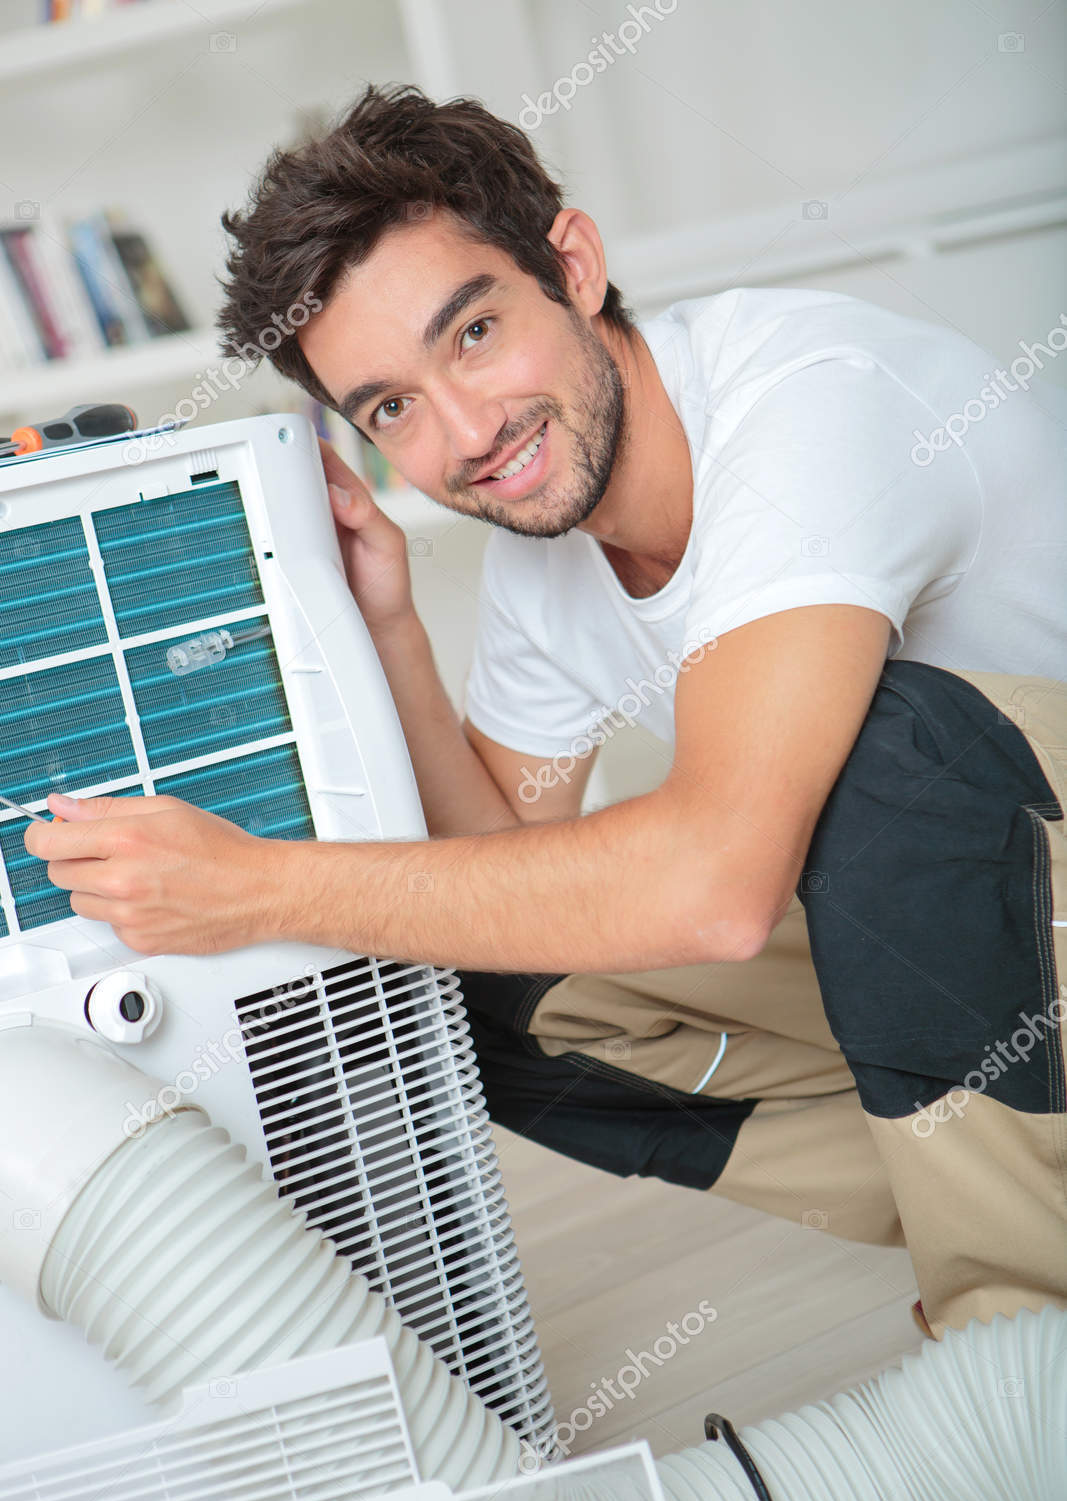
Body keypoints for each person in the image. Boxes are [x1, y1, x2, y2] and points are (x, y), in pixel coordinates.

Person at [27, 83, 1067, 1344]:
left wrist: (254, 888)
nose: (468, 435)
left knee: (876, 754)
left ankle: (1020, 1333)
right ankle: (980, 1195)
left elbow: (719, 882)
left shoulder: (808, 403)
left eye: (470, 333)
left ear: (570, 265)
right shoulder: (546, 549)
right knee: (473, 981)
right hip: (1008, 941)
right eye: (391, 408)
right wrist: (388, 629)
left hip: (1021, 868)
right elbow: (492, 892)